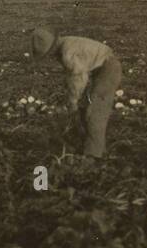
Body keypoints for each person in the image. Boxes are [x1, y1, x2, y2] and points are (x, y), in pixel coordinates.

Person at [30, 27, 123, 159]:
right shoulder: (67, 43)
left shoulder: (68, 52)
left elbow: (78, 77)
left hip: (108, 69)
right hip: (101, 69)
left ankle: (93, 158)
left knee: (94, 113)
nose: (50, 57)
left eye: (49, 54)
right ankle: (97, 148)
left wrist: (73, 101)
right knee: (86, 109)